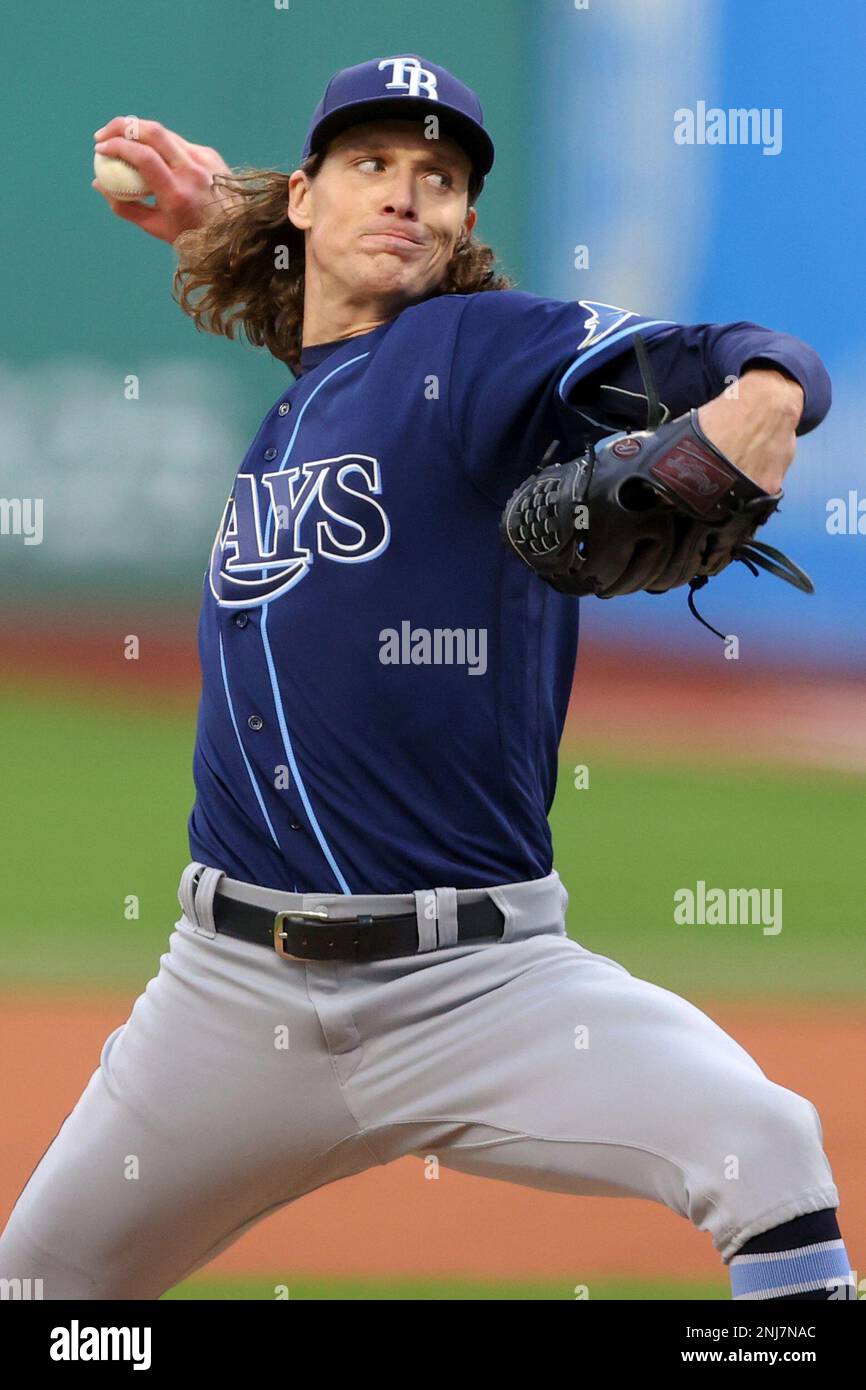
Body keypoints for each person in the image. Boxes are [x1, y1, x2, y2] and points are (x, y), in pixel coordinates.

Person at [0, 55, 851, 1302]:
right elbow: (319, 318)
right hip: (225, 998)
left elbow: (714, 351)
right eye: (372, 166)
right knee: (47, 1295)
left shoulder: (482, 349)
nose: (407, 194)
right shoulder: (308, 397)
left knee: (766, 1151)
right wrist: (216, 218)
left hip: (482, 985)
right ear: (301, 198)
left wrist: (769, 395)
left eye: (438, 177)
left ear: (461, 226)